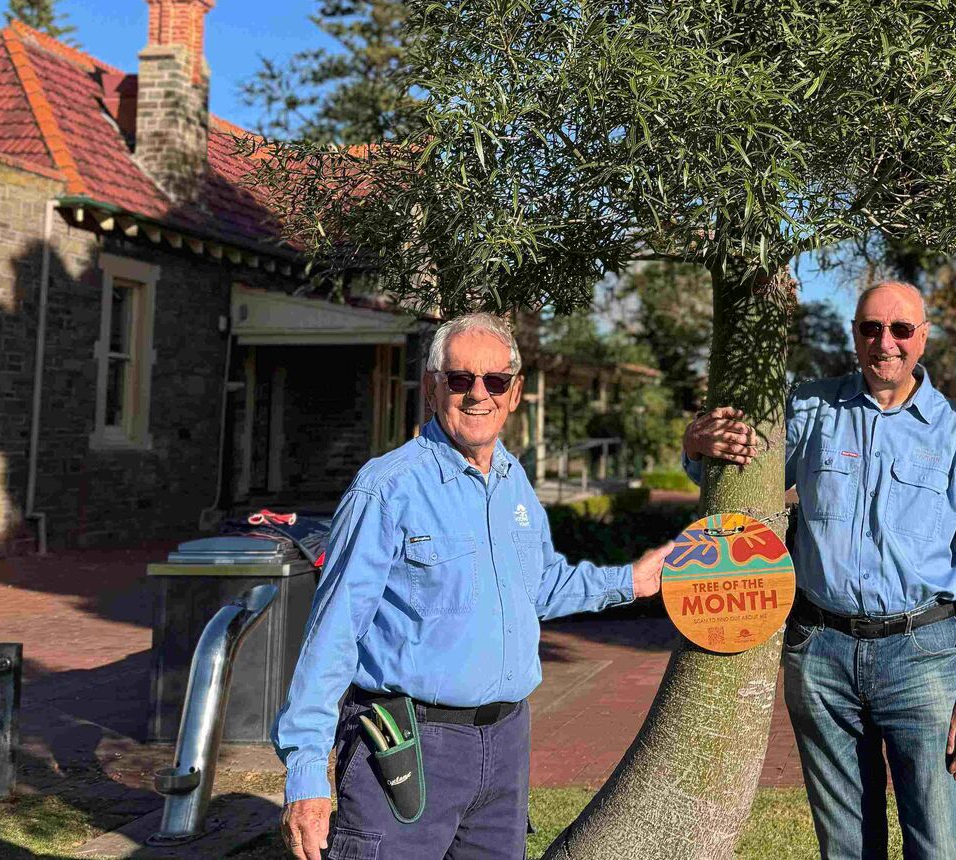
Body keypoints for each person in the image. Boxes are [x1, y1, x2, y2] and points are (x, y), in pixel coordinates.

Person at [274, 313, 670, 860]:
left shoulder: (513, 479)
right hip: (406, 745)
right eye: (460, 379)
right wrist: (306, 774)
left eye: (495, 381)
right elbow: (332, 634)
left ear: (515, 393)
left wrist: (633, 580)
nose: (477, 394)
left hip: (505, 745)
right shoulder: (386, 488)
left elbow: (540, 586)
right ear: (434, 388)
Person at [685, 281, 956, 860]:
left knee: (938, 841)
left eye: (901, 330)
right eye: (871, 328)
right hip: (821, 652)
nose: (886, 343)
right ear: (854, 334)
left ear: (923, 337)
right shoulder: (810, 408)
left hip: (924, 655)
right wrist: (697, 444)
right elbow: (741, 475)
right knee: (846, 845)